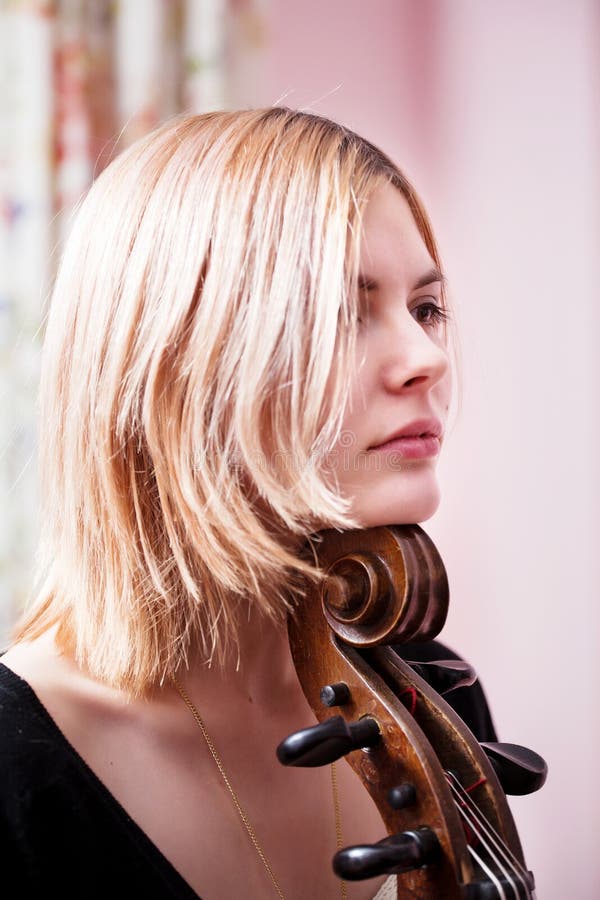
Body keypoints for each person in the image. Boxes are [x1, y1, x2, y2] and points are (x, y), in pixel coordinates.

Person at [0, 107, 496, 899]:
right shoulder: (19, 764)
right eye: (343, 311)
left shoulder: (434, 696)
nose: (427, 357)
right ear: (178, 366)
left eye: (426, 308)